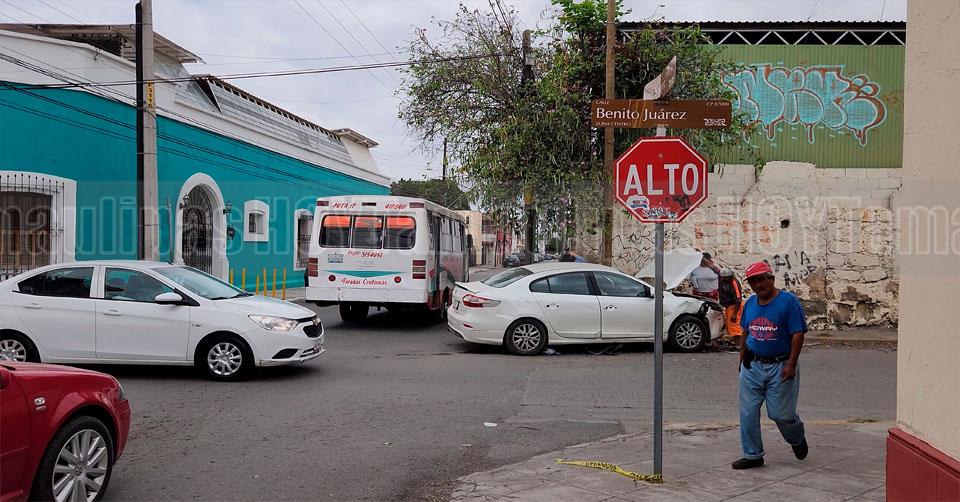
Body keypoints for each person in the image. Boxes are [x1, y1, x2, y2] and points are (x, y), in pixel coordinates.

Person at [732, 261, 809, 470]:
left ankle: (797, 438)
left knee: (780, 414)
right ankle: (752, 455)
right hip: (752, 364)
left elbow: (797, 334)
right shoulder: (751, 303)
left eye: (761, 279)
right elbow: (745, 331)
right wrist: (741, 360)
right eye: (753, 282)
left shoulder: (788, 302)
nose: (758, 285)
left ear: (771, 278)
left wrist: (791, 364)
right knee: (747, 412)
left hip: (780, 365)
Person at [718, 268, 744, 345]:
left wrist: (734, 314)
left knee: (734, 326)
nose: (722, 278)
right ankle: (738, 344)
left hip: (735, 306)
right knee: (730, 326)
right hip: (729, 306)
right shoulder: (722, 280)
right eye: (722, 277)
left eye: (725, 277)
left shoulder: (734, 283)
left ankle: (739, 346)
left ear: (729, 277)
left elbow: (738, 299)